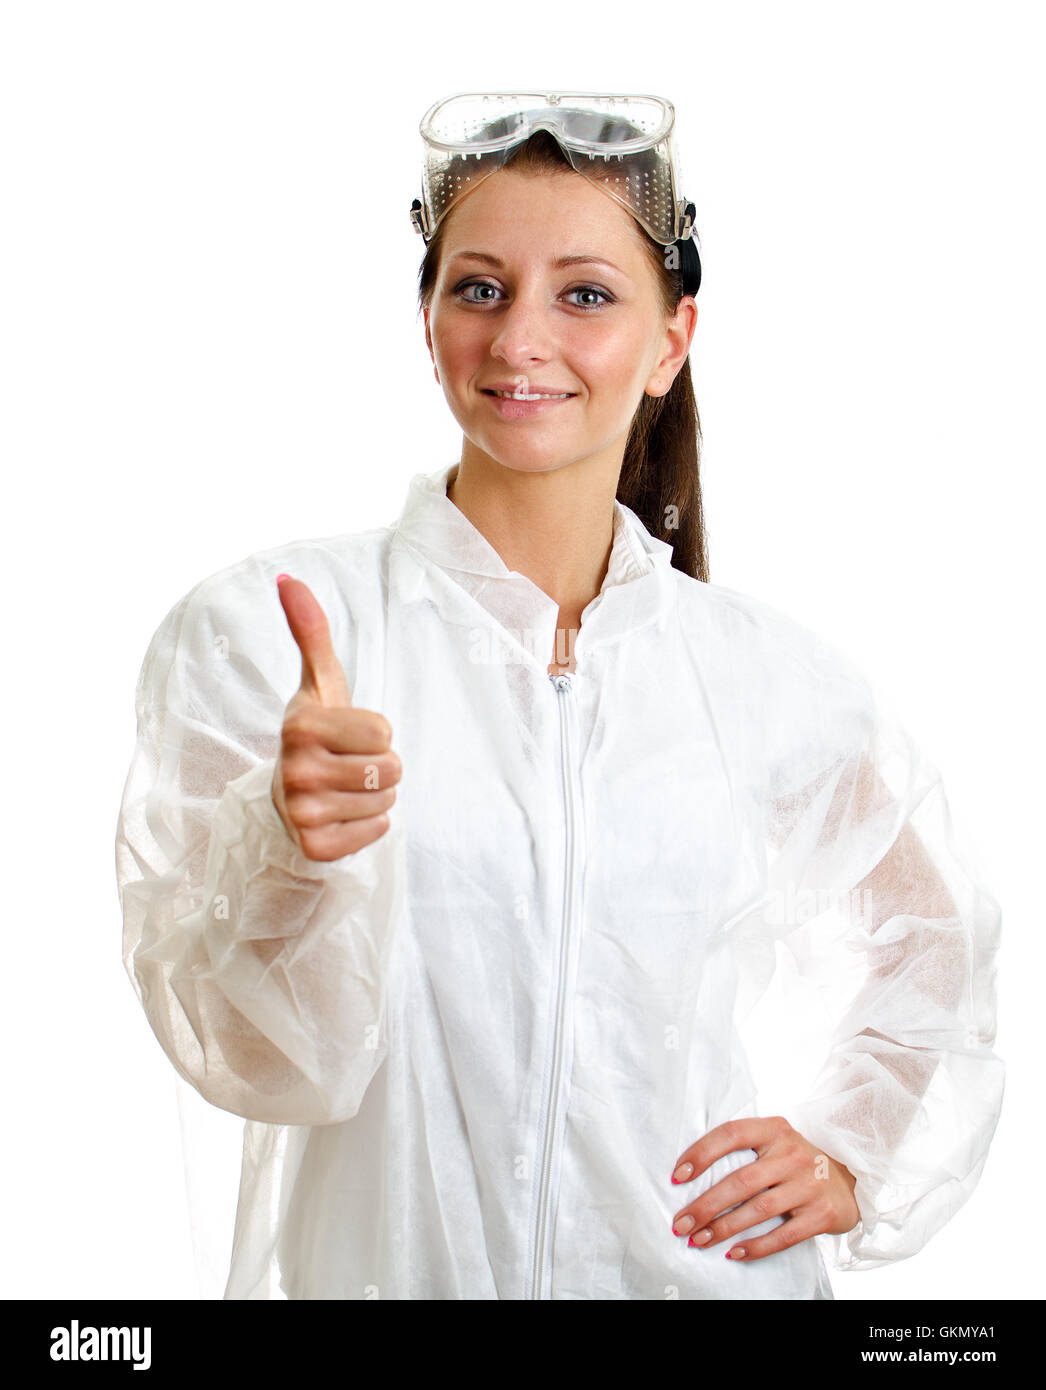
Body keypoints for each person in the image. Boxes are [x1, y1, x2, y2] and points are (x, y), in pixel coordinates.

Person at [115, 92, 1004, 1301]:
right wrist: (285, 843)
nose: (519, 337)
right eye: (478, 287)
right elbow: (269, 1062)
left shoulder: (763, 679)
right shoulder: (270, 634)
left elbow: (933, 939)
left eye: (583, 294)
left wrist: (852, 1148)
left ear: (670, 341)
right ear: (427, 324)